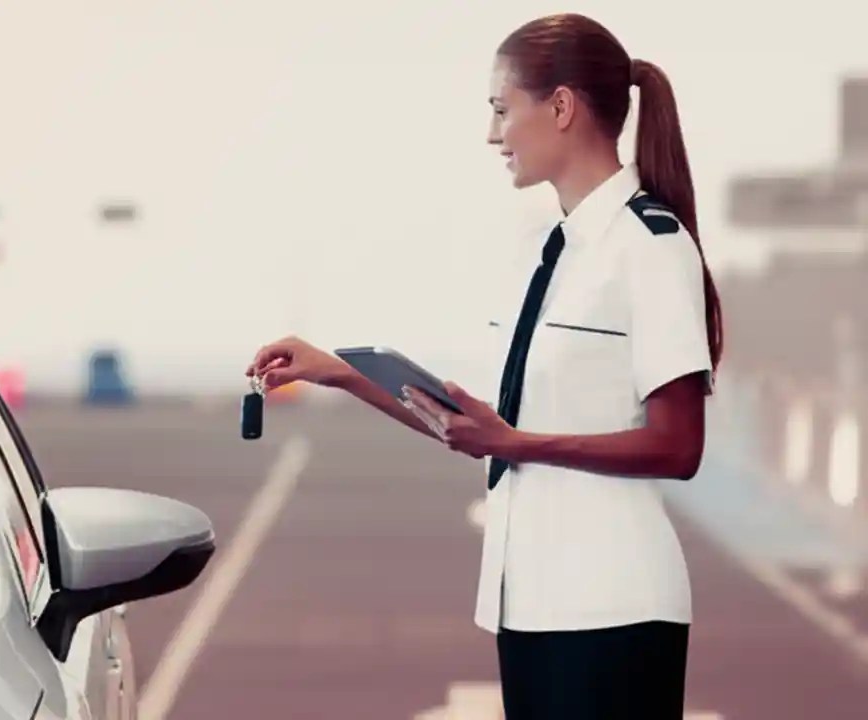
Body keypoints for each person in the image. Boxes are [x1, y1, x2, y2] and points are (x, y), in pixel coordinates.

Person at [245, 12, 723, 720]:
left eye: (502, 111)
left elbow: (680, 446)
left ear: (560, 107)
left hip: (614, 609)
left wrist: (516, 444)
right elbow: (480, 425)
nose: (492, 135)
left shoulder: (651, 248)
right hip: (528, 601)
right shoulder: (542, 252)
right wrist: (338, 372)